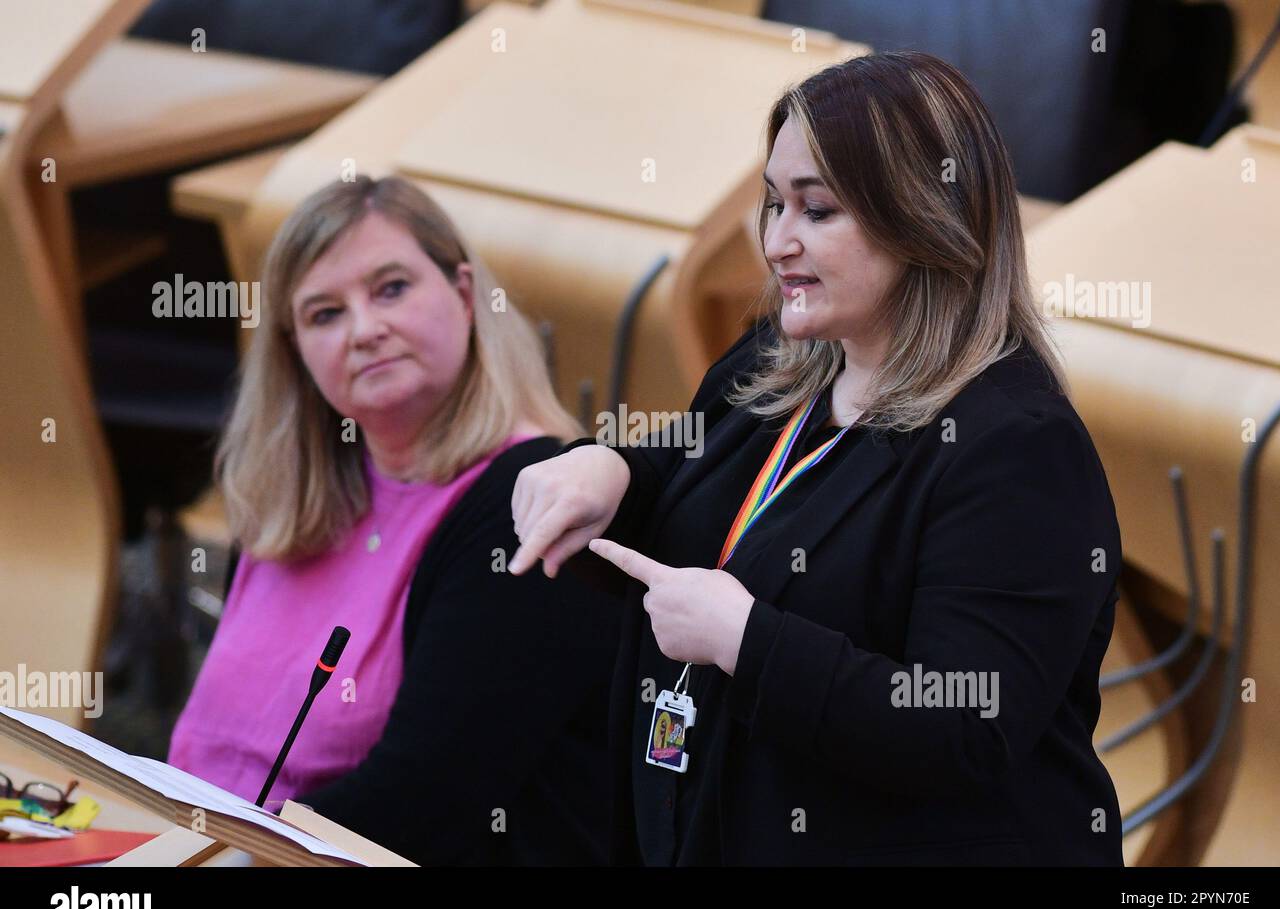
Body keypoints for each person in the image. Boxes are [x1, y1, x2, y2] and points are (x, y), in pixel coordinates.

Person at [509, 51, 1125, 865]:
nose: (777, 242)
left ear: (924, 218)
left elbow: (964, 725)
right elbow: (691, 475)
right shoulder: (779, 358)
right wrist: (610, 469)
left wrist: (747, 640)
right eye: (774, 203)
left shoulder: (1018, 446)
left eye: (818, 210)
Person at [167, 175, 620, 865]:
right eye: (325, 314)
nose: (364, 330)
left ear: (464, 295)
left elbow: (422, 801)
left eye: (391, 289)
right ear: (295, 350)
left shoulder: (531, 499)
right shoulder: (286, 493)